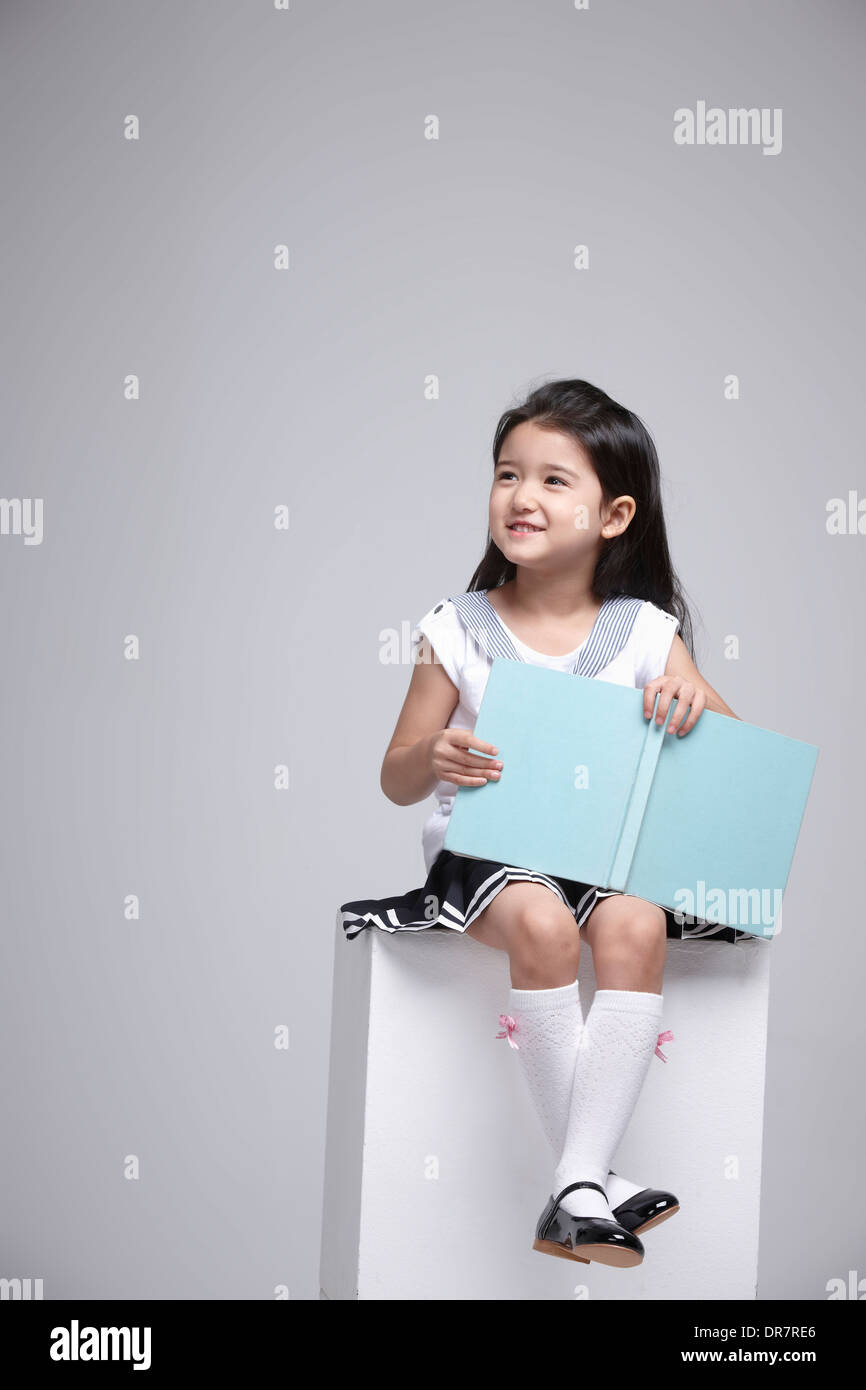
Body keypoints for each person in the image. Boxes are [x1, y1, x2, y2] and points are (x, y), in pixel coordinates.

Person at [339, 377, 750, 1267]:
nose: (521, 496)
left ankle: (576, 1182)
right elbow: (395, 775)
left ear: (614, 515)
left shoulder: (644, 631)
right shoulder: (459, 626)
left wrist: (692, 696)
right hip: (489, 855)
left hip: (598, 856)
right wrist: (436, 755)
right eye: (506, 474)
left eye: (554, 480)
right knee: (543, 921)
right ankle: (593, 1182)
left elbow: (732, 753)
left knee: (635, 919)